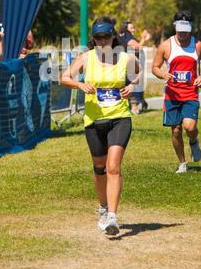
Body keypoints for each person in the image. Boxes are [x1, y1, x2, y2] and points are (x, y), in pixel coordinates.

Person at [60, 17, 142, 235]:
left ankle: (113, 217)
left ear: (113, 36)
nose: (102, 41)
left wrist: (132, 86)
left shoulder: (125, 58)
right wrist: (79, 84)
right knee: (99, 168)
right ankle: (103, 208)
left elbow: (139, 72)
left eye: (106, 37)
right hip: (95, 120)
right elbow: (64, 77)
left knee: (113, 166)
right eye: (98, 38)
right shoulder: (86, 58)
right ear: (94, 39)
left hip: (120, 118)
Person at [152, 10, 201, 173]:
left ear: (190, 28)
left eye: (186, 30)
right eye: (180, 30)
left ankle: (193, 142)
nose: (183, 34)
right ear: (174, 26)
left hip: (190, 92)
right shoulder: (165, 45)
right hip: (171, 94)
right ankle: (183, 163)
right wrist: (163, 74)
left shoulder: (197, 45)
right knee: (176, 129)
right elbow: (155, 68)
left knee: (190, 127)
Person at [119, 21, 150, 114]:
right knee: (132, 85)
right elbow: (138, 47)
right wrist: (143, 38)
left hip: (133, 65)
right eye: (131, 28)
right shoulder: (126, 37)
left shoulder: (127, 36)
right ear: (126, 29)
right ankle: (134, 107)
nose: (134, 30)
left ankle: (141, 101)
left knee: (136, 84)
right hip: (130, 66)